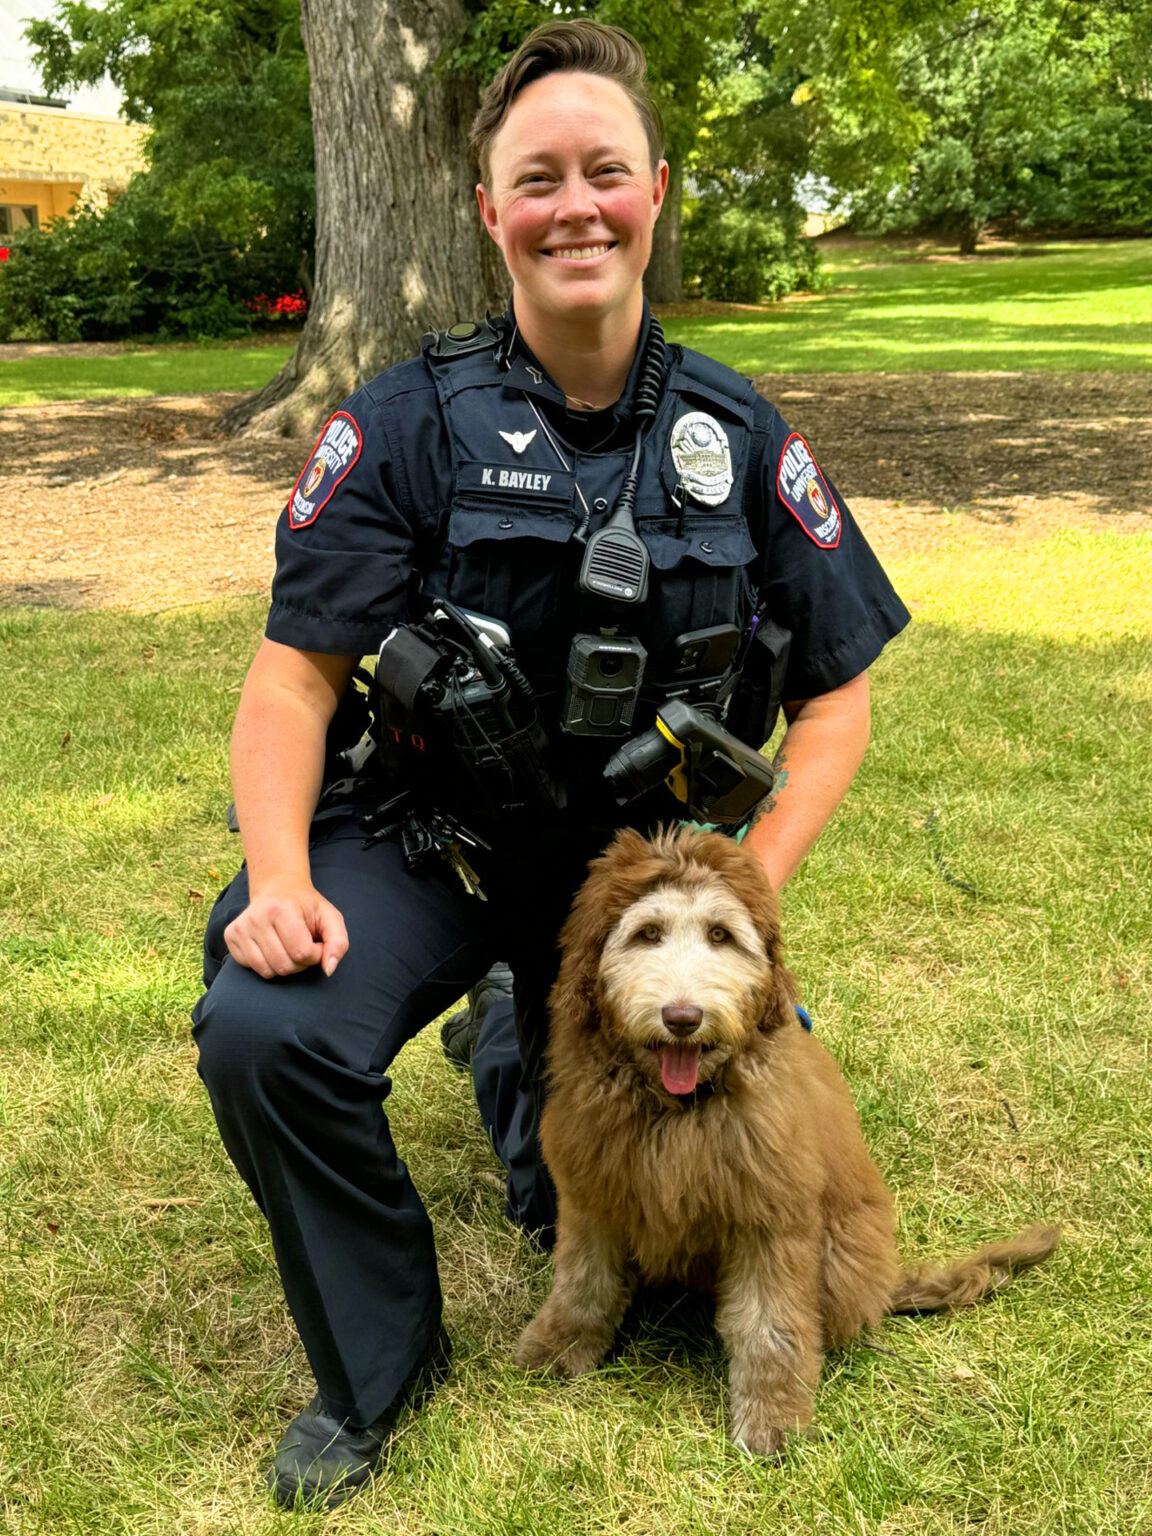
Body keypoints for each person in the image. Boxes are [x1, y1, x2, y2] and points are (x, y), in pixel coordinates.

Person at [192, 19, 910, 1509]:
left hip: (646, 892)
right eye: (538, 179)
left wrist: (743, 904)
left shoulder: (738, 431)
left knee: (673, 1161)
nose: (574, 204)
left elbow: (837, 701)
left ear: (657, 189)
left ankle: (518, 1034)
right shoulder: (398, 422)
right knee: (267, 1030)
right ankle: (380, 1370)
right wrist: (275, 878)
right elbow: (290, 681)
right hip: (434, 849)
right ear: (490, 213)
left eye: (604, 171)